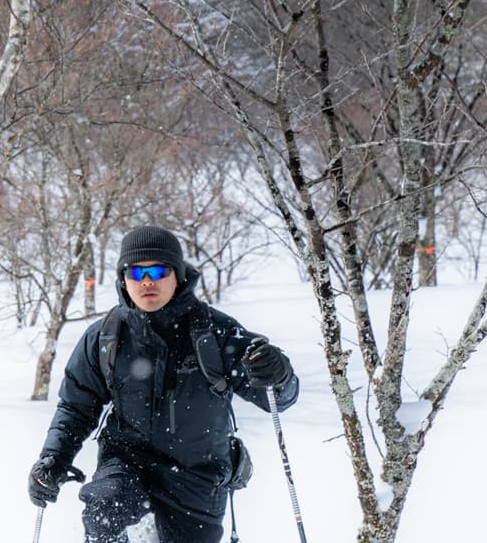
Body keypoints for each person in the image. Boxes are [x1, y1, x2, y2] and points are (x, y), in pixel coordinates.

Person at [28, 226, 299, 543]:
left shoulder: (216, 332)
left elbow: (276, 398)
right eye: (136, 271)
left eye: (158, 270)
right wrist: (53, 459)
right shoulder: (105, 335)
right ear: (123, 278)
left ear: (178, 274)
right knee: (103, 507)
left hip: (199, 473)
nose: (146, 281)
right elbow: (76, 406)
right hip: (125, 463)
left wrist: (279, 375)